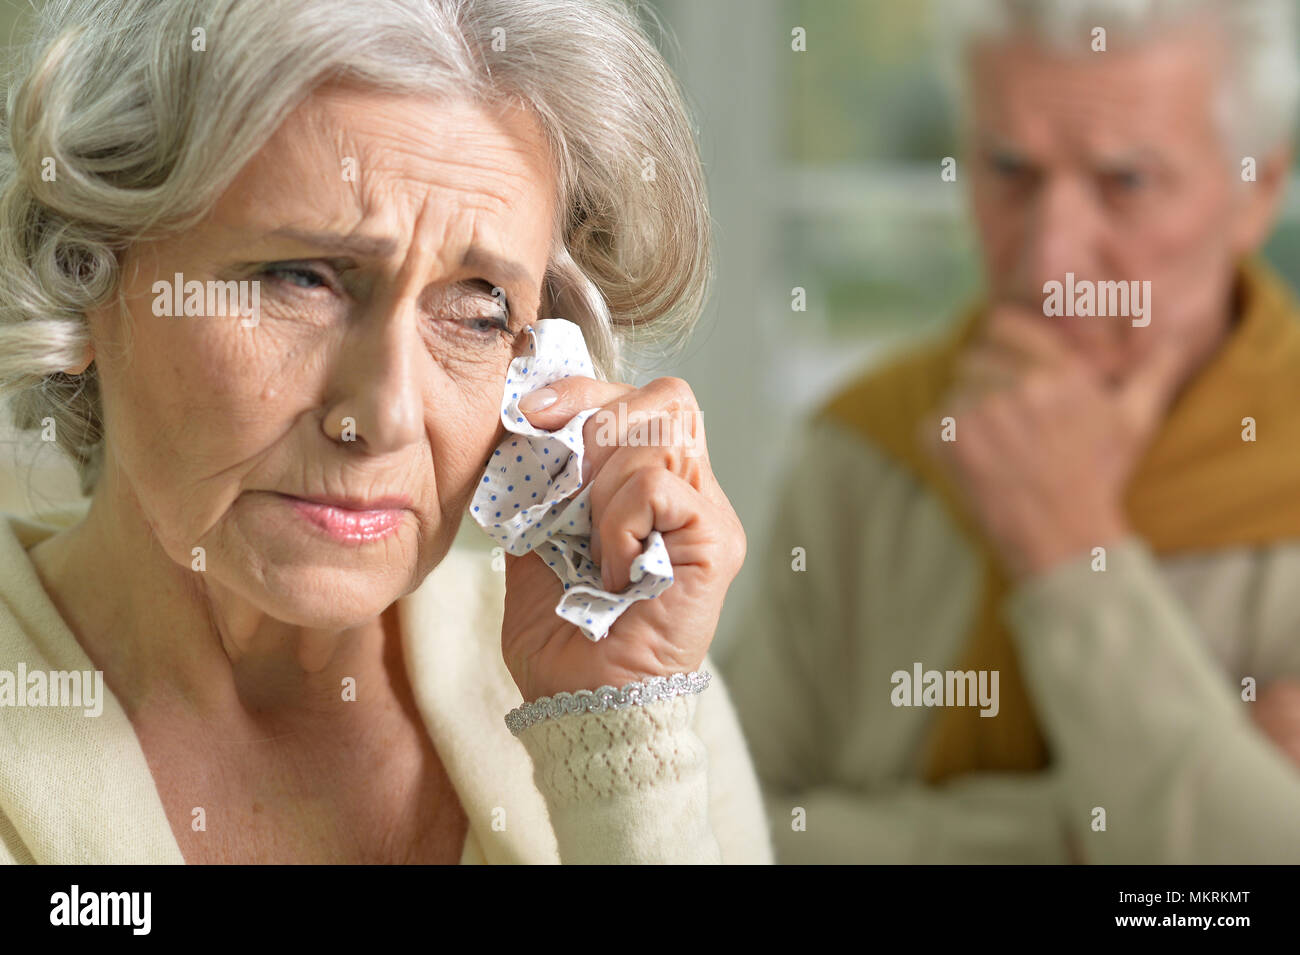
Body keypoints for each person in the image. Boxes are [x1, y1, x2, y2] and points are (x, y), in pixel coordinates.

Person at [0, 0, 771, 864]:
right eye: (302, 278)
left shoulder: (630, 681)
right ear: (88, 269)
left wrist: (619, 752)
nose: (387, 415)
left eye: (479, 312)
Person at [720, 0, 1300, 863]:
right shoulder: (866, 447)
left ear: (1257, 190)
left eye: (1127, 182)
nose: (1050, 261)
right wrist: (1084, 836)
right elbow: (707, 832)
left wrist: (1067, 543)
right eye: (1009, 170)